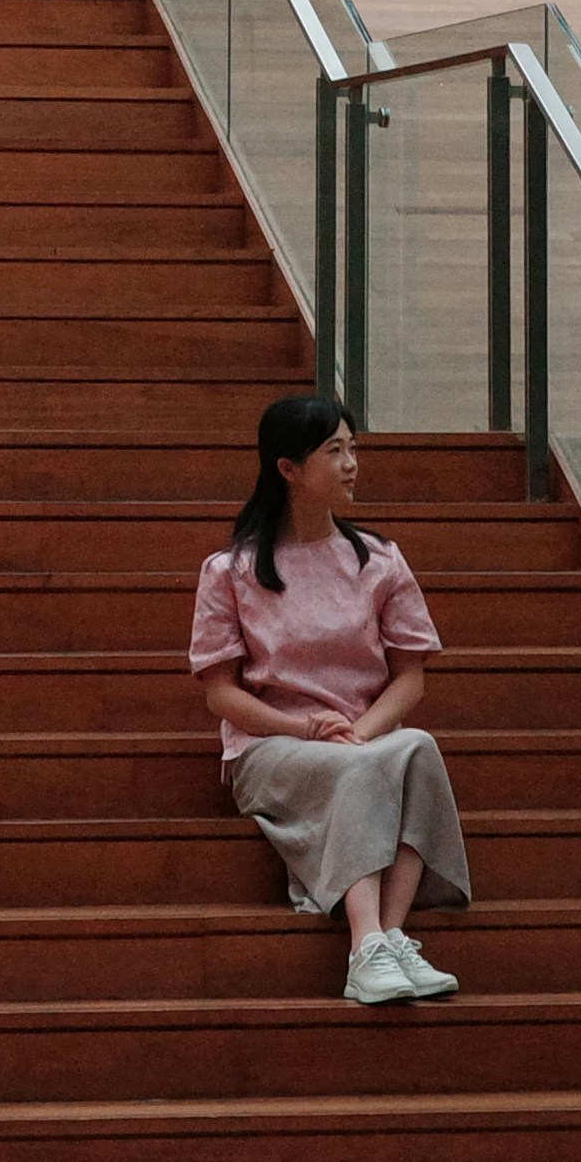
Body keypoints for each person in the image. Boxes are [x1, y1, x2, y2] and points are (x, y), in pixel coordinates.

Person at [190, 388, 471, 1009]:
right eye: (334, 451)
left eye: (353, 449)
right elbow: (221, 696)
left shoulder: (379, 559)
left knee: (417, 746)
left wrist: (362, 731)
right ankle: (362, 945)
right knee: (364, 766)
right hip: (271, 748)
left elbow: (410, 679)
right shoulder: (230, 571)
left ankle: (392, 937)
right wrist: (307, 730)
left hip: (359, 738)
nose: (351, 463)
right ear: (287, 469)